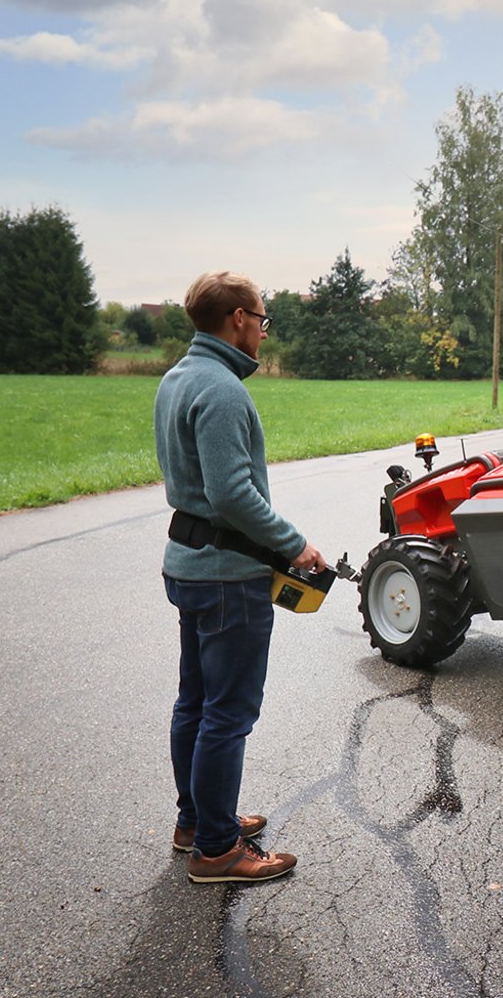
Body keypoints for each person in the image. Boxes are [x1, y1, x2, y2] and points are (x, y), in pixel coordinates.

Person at [154, 271, 326, 884]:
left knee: (196, 702)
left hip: (189, 565)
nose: (261, 328)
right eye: (261, 317)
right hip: (228, 576)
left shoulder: (178, 378)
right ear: (237, 319)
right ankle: (218, 851)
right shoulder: (222, 390)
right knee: (228, 712)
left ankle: (197, 822)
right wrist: (294, 545)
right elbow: (232, 495)